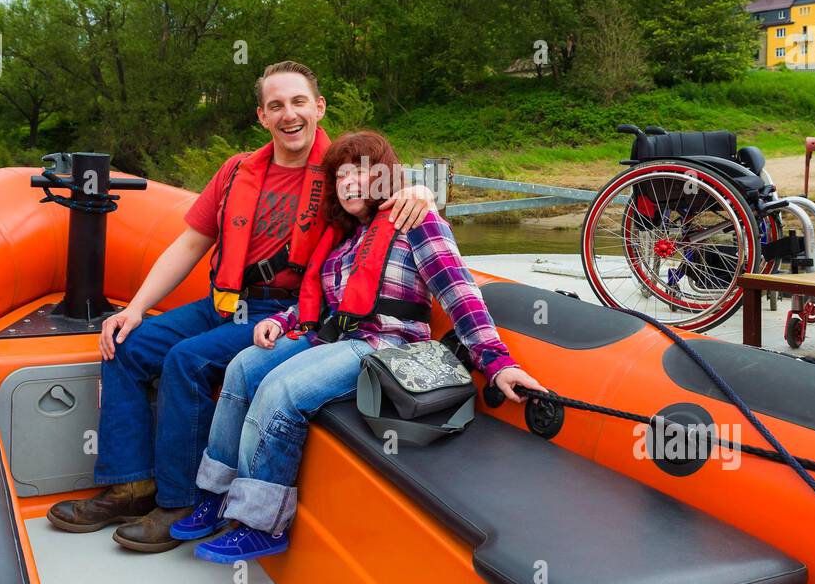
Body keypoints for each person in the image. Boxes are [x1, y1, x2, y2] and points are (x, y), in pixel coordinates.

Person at [47, 63, 436, 551]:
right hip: (224, 303)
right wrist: (136, 308)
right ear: (262, 116)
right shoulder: (236, 171)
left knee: (185, 361)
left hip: (288, 313)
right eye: (276, 106)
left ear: (318, 107)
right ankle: (131, 485)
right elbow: (190, 243)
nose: (288, 114)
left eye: (298, 102)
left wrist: (420, 190)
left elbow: (386, 197)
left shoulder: (344, 170)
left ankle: (180, 500)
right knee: (129, 345)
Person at [174, 130, 546, 562]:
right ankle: (215, 494)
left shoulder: (416, 220)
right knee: (244, 365)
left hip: (384, 348)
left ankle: (261, 523)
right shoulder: (344, 241)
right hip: (332, 340)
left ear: (386, 179)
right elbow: (321, 306)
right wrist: (281, 319)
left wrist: (498, 363)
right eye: (341, 175)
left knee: (281, 388)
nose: (350, 182)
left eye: (362, 172)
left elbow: (458, 293)